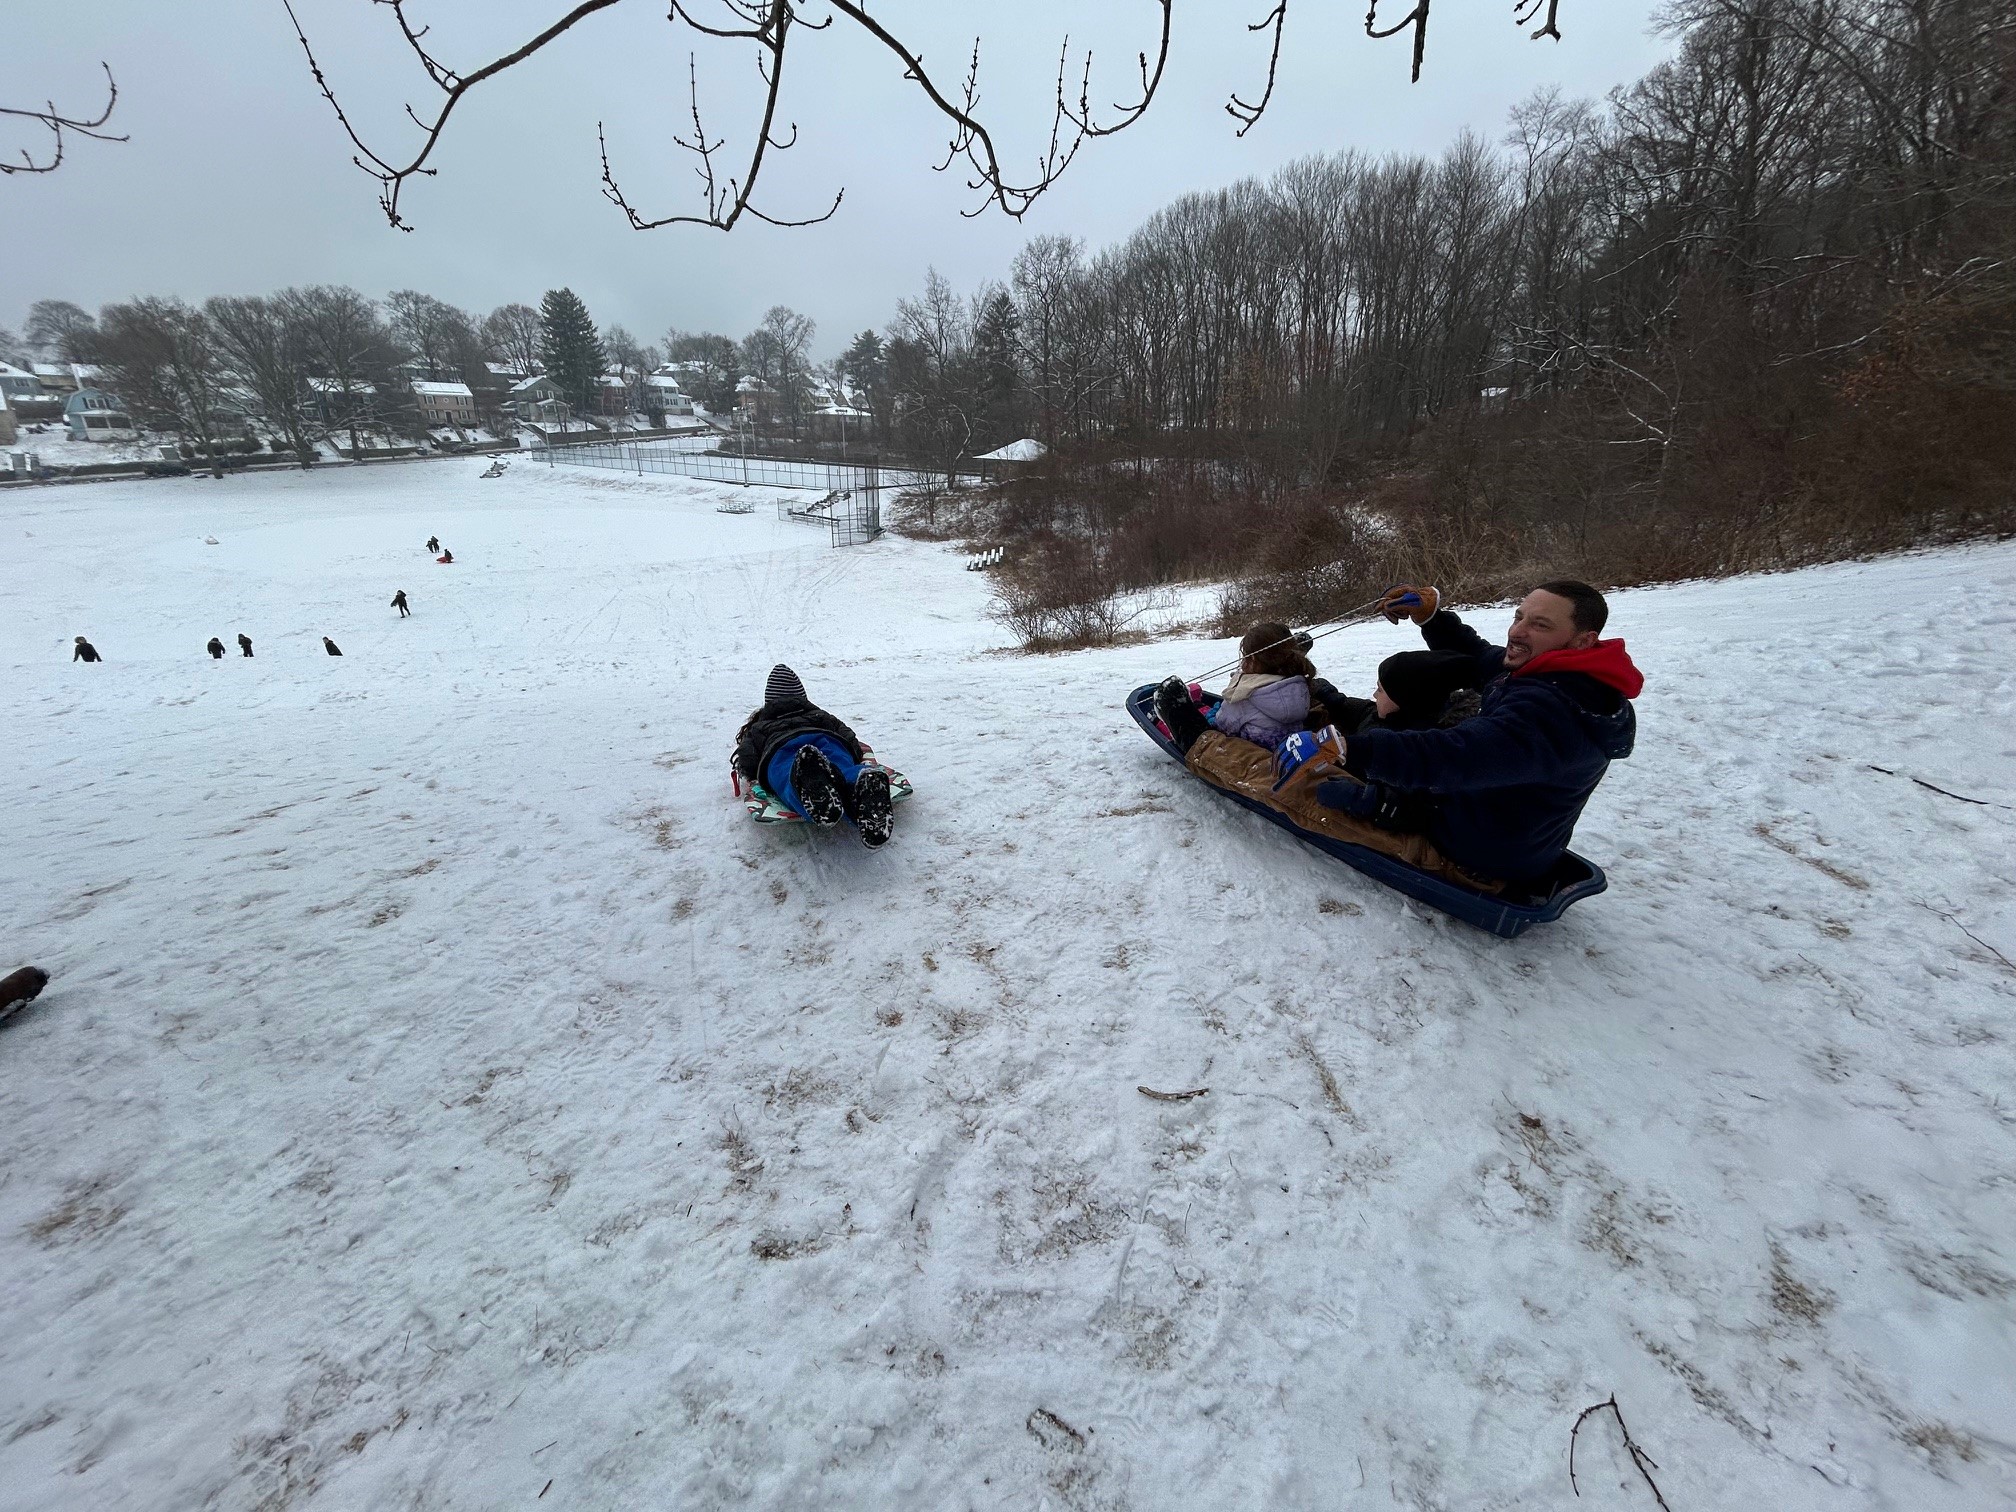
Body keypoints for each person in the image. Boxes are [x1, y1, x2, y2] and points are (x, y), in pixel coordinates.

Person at [1155, 579, 1642, 893]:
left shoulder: (1555, 713)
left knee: (1298, 786)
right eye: (1519, 616)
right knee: (1350, 740)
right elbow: (1477, 656)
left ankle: (1197, 737)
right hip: (1462, 814)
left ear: (1582, 639)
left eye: (1539, 624)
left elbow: (1455, 755)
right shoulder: (1549, 672)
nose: (1518, 631)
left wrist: (1347, 747)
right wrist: (1431, 616)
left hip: (1470, 854)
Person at [733, 664, 895, 847]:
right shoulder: (821, 715)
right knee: (843, 767)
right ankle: (860, 783)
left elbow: (748, 761)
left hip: (782, 749)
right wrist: (854, 754)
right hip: (827, 741)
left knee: (787, 776)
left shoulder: (759, 727)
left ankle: (808, 784)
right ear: (802, 696)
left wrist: (752, 772)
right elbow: (849, 738)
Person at [1204, 623, 1316, 748]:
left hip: (1246, 758)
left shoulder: (1243, 697)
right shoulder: (1300, 686)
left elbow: (1220, 726)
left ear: (1252, 659)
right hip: (1285, 753)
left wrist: (1210, 714)